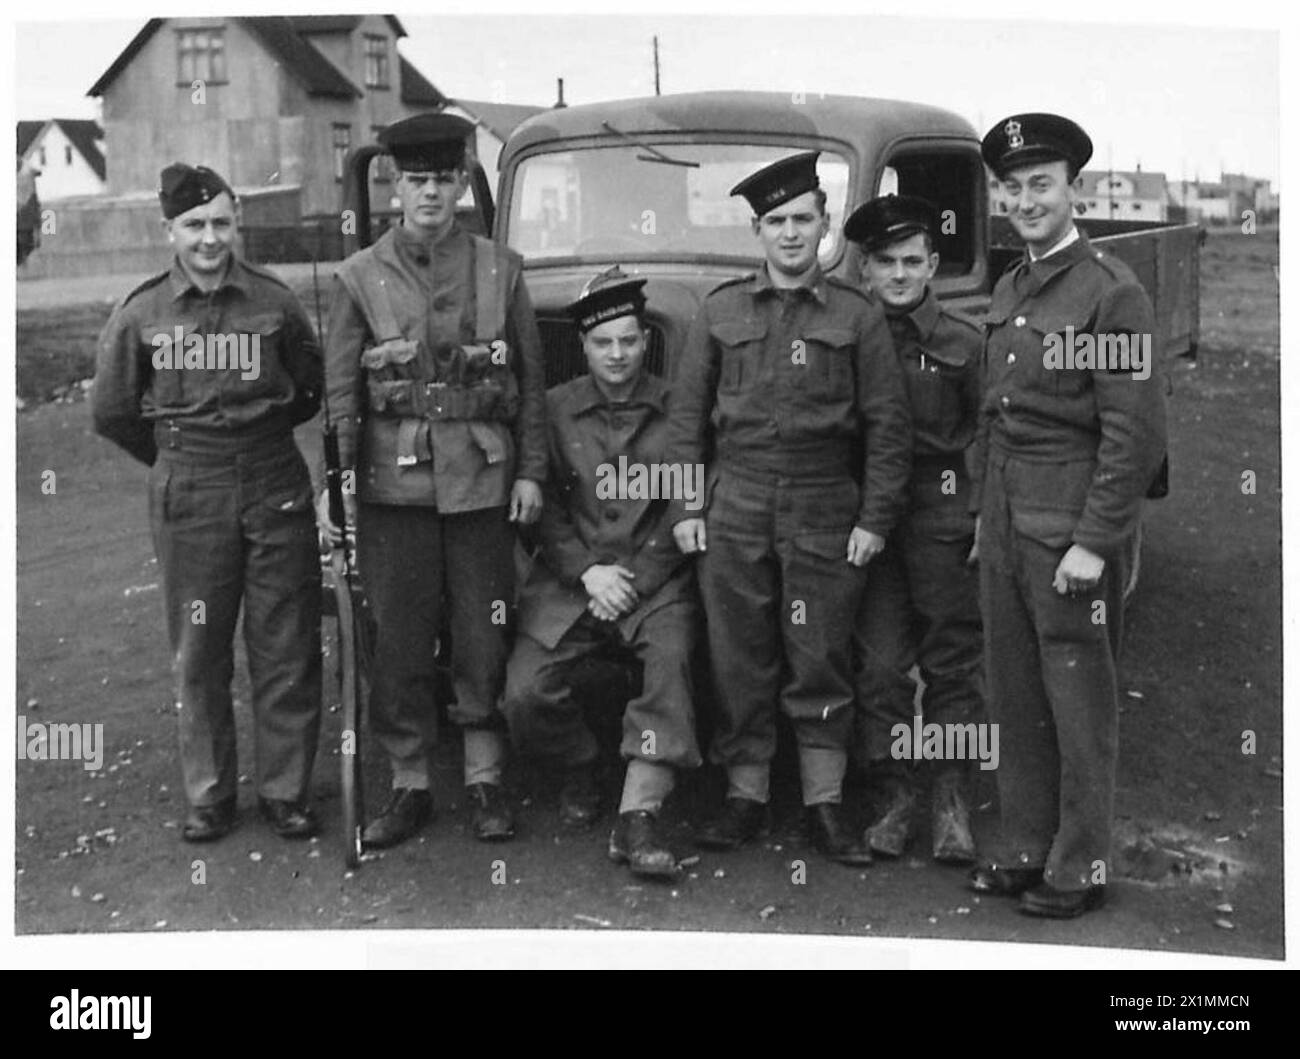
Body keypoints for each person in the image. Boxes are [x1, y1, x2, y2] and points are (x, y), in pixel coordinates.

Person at [666, 152, 912, 865]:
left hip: (824, 503)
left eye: (804, 218)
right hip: (737, 502)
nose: (791, 233)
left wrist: (874, 520)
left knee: (820, 655)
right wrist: (688, 503)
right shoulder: (721, 311)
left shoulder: (856, 317)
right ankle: (745, 796)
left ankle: (824, 802)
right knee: (738, 655)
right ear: (757, 232)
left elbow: (888, 427)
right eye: (776, 221)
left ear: (827, 225)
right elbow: (688, 421)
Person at [320, 112, 547, 849]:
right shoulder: (359, 277)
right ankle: (411, 781)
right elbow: (343, 397)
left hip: (481, 482)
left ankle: (484, 778)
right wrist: (338, 489)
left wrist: (533, 472)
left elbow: (532, 388)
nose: (429, 193)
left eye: (443, 179)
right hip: (394, 491)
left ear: (459, 184)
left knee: (484, 635)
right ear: (394, 183)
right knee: (400, 640)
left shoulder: (500, 267)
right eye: (415, 180)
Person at [969, 113, 1167, 916]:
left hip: (1069, 527)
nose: (1026, 200)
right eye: (1012, 188)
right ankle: (1024, 842)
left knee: (1079, 699)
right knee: (1013, 692)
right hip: (1010, 515)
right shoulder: (1013, 286)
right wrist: (986, 516)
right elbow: (994, 414)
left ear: (1073, 189)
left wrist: (1094, 541)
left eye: (1040, 184)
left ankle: (1080, 861)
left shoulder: (1110, 292)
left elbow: (1135, 432)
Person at [92, 163, 323, 843]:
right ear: (169, 229)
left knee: (286, 642)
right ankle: (211, 794)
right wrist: (176, 459)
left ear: (238, 221)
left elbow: (307, 390)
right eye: (194, 224)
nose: (209, 237)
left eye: (221, 222)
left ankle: (286, 790)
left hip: (273, 477)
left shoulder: (276, 303)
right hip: (191, 487)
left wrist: (254, 443)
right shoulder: (141, 313)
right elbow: (113, 410)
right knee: (200, 648)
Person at [502, 267, 701, 879]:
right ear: (584, 348)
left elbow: (684, 507)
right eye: (603, 343)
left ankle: (638, 815)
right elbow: (542, 510)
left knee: (671, 663)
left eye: (629, 340)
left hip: (653, 582)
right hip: (572, 584)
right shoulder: (554, 411)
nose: (617, 355)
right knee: (524, 694)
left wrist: (635, 579)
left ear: (645, 342)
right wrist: (587, 572)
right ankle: (582, 765)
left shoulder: (678, 411)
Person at [844, 194, 983, 864]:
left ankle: (952, 800)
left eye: (911, 260)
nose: (898, 275)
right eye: (884, 262)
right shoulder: (850, 336)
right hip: (872, 516)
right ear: (864, 269)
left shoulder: (962, 342)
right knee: (880, 665)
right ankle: (895, 795)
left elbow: (989, 434)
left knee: (952, 659)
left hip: (940, 508)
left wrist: (982, 513)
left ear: (932, 264)